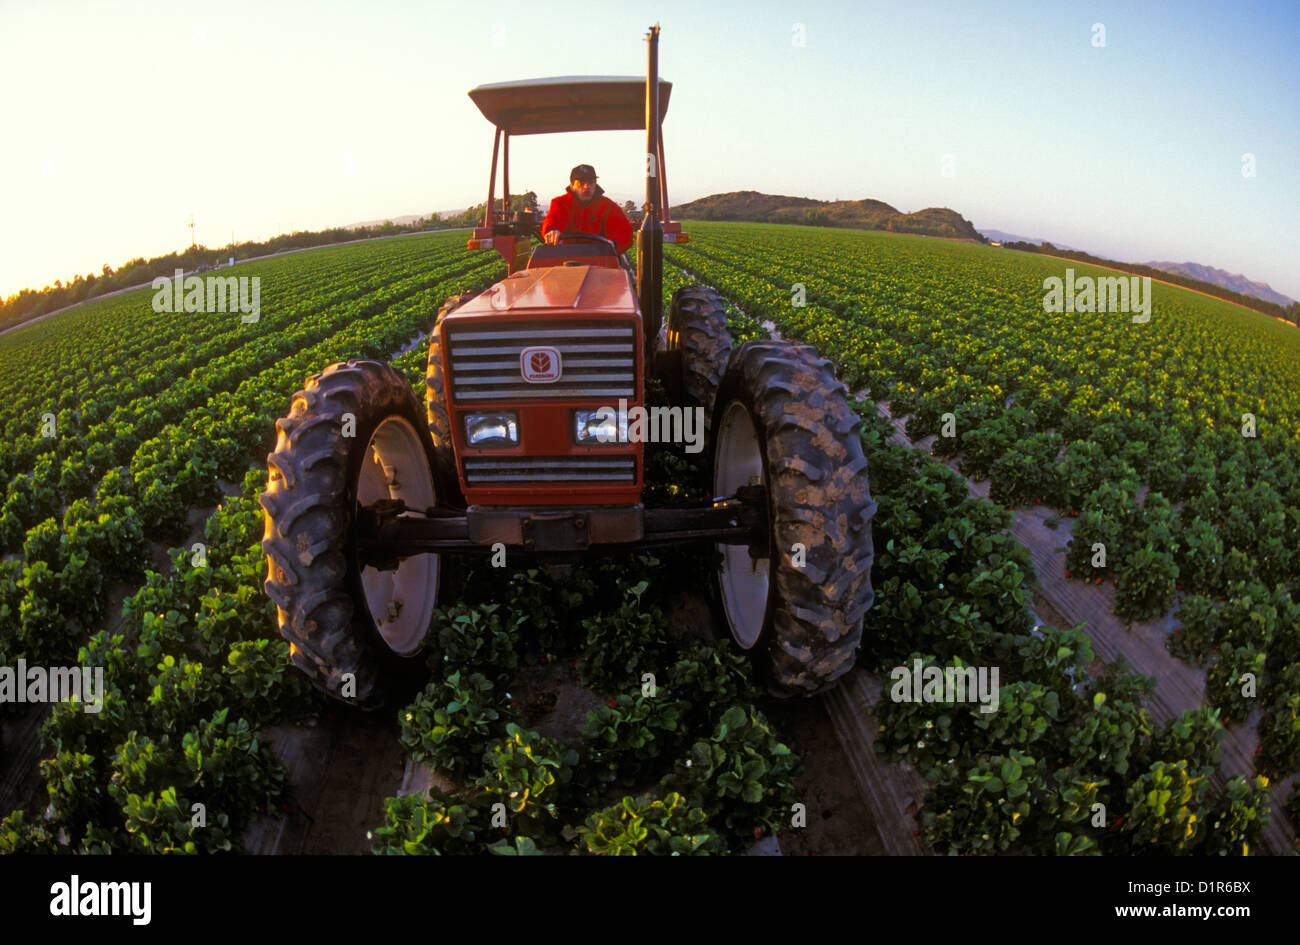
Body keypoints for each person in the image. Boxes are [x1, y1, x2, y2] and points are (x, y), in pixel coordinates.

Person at [541, 165, 634, 255]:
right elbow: (552, 220)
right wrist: (552, 231)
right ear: (572, 185)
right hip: (565, 257)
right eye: (581, 183)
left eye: (591, 182)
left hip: (600, 259)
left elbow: (624, 232)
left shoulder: (608, 206)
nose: (587, 186)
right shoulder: (560, 203)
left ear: (595, 184)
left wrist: (613, 243)